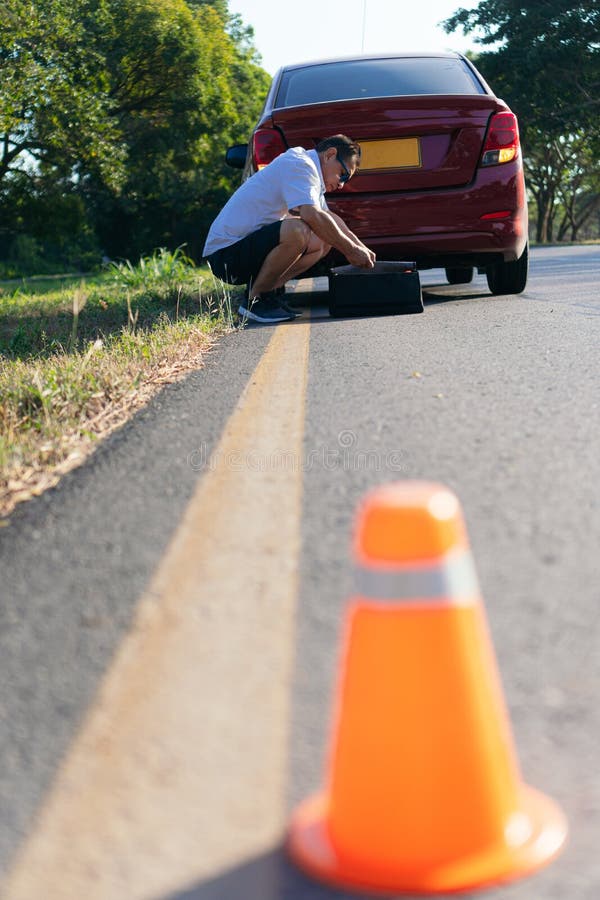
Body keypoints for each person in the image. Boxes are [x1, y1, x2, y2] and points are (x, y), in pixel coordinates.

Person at [202, 134, 376, 323]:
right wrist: (350, 251)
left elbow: (329, 218)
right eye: (342, 173)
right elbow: (312, 215)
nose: (342, 184)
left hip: (242, 251)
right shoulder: (300, 164)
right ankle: (256, 300)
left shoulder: (311, 173)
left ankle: (269, 293)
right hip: (225, 257)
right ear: (329, 155)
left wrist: (360, 247)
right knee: (298, 229)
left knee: (324, 239)